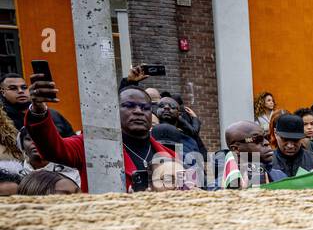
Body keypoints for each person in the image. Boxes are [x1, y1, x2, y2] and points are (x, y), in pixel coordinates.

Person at [23, 80, 175, 193]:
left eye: (145, 108)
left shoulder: (171, 155)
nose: (138, 111)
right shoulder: (91, 145)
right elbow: (52, 150)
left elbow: (186, 194)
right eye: (129, 106)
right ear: (113, 110)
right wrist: (38, 110)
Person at [3, 72, 73, 137]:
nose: (21, 91)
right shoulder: (2, 120)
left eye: (24, 87)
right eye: (13, 88)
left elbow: (72, 141)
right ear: (3, 92)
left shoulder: (52, 114)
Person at [264, 112, 313, 180]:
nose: (290, 145)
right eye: (285, 139)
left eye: (295, 140)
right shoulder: (265, 163)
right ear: (275, 134)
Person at [153, 94, 206, 160]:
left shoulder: (188, 141)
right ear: (156, 110)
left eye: (172, 107)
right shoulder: (147, 137)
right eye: (162, 106)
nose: (166, 107)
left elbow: (196, 166)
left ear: (179, 114)